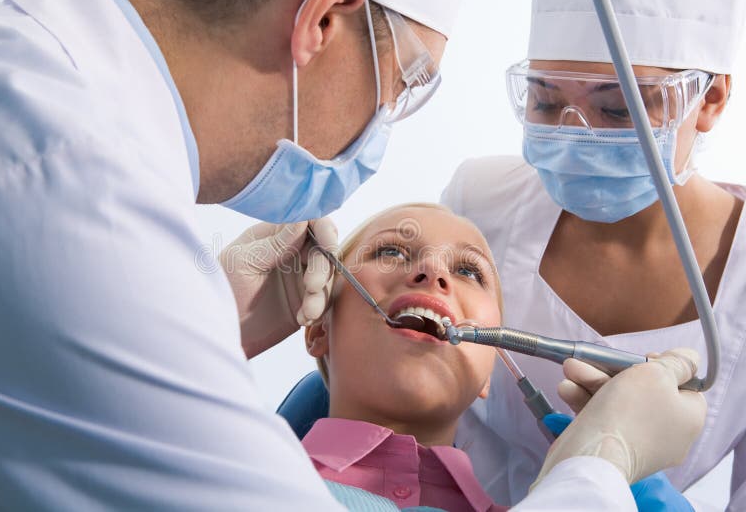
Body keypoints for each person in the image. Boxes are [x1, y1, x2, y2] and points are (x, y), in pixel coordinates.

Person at [0, 0, 464, 508]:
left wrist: (212, 311)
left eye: (471, 270)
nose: (433, 274)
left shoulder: (22, 78)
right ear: (322, 15)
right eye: (402, 83)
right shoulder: (74, 197)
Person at [441, 0, 746, 509]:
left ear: (710, 99)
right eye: (545, 100)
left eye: (619, 110)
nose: (575, 135)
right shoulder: (480, 204)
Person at [299, 203, 705, 510]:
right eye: (391, 251)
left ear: (488, 374)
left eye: (469, 272)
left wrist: (628, 483)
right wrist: (603, 465)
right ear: (318, 329)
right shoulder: (260, 470)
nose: (432, 270)